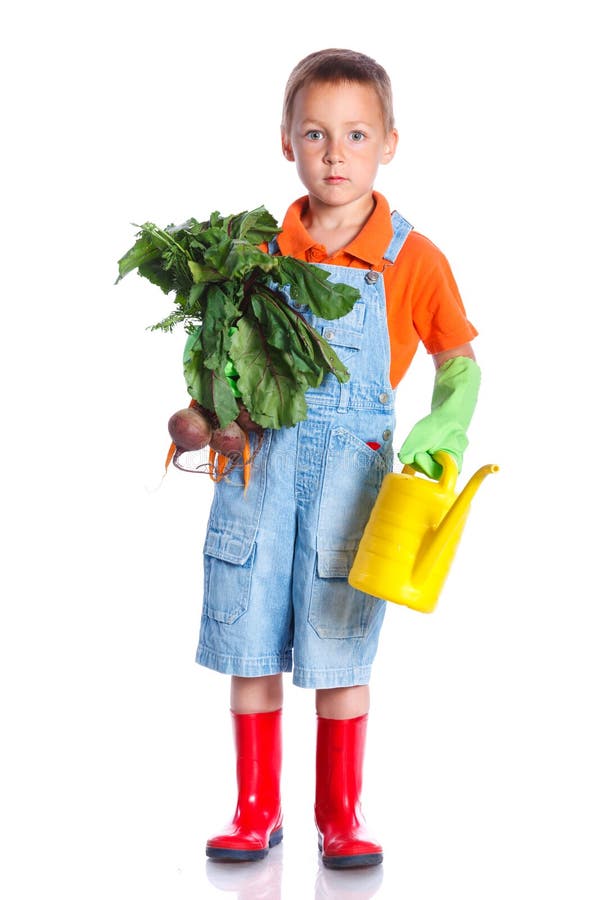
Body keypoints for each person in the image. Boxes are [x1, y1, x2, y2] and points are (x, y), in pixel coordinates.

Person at [193, 48, 480, 869]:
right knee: (249, 633)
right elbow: (228, 354)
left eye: (356, 135)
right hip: (257, 471)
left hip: (352, 483)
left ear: (391, 142)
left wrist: (440, 439)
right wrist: (210, 411)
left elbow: (458, 362)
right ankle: (255, 810)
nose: (334, 154)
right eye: (315, 133)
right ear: (286, 141)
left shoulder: (411, 257)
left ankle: (339, 816)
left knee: (339, 640)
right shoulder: (255, 250)